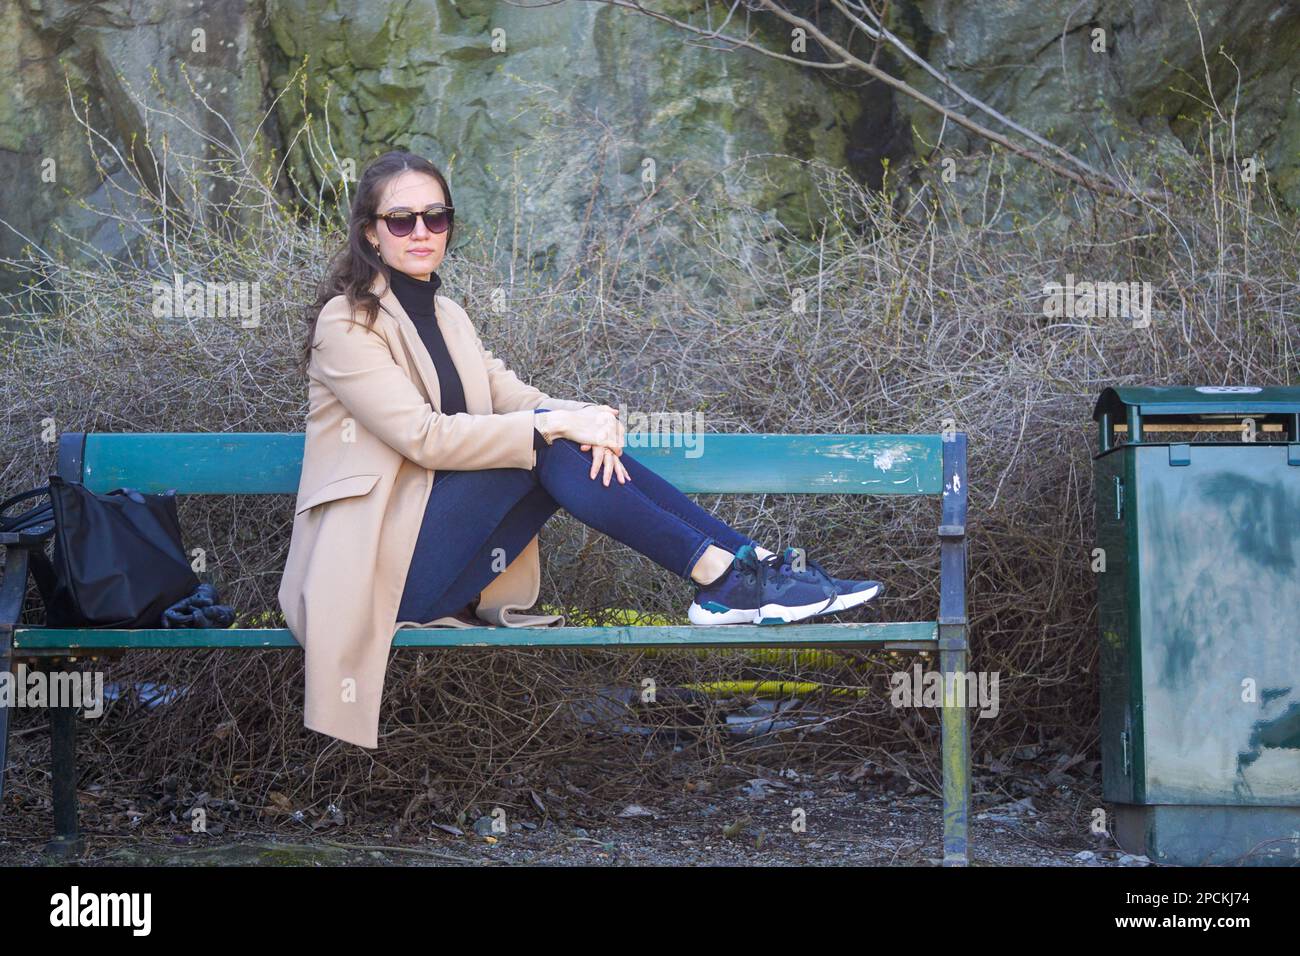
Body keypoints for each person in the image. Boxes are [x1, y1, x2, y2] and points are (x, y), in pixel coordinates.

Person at [279, 150, 882, 748]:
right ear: (370, 233)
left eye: (434, 217)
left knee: (558, 438)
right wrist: (559, 426)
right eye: (401, 219)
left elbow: (517, 398)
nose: (420, 232)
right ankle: (723, 575)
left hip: (444, 560)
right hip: (376, 578)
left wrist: (590, 418)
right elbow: (425, 437)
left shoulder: (450, 316)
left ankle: (747, 565)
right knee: (543, 444)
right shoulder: (348, 323)